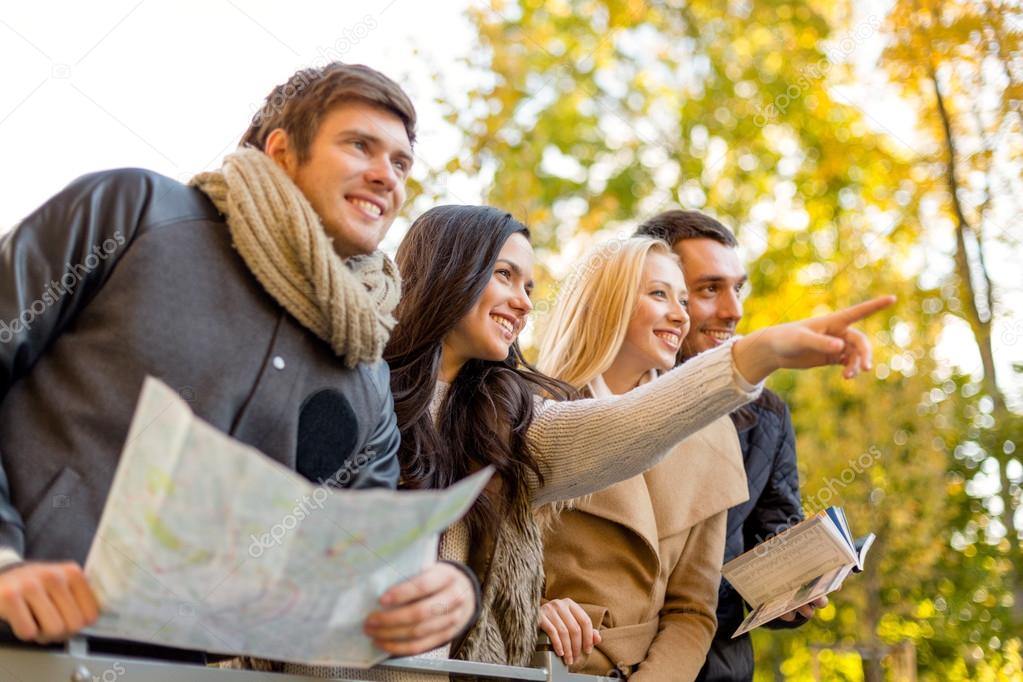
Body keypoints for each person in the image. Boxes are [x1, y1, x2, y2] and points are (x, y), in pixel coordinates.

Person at [0, 63, 478, 661]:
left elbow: (358, 564)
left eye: (401, 163)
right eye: (360, 145)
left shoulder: (367, 373)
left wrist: (446, 594)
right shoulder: (133, 213)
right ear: (281, 152)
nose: (387, 176)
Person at [362, 204, 889, 671]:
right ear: (448, 271)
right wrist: (525, 610)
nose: (523, 303)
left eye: (529, 288)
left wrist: (759, 354)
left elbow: (627, 431)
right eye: (505, 275)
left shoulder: (505, 417)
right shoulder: (362, 392)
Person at [536, 237, 750, 680]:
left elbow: (692, 610)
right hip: (541, 665)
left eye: (683, 300)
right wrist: (529, 607)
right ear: (607, 303)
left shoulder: (711, 434)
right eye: (658, 294)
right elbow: (484, 564)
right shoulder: (529, 409)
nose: (681, 315)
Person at [636, 209, 827, 682]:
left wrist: (792, 590)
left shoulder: (767, 415)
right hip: (603, 659)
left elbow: (774, 531)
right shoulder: (588, 402)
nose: (733, 310)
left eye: (737, 288)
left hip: (718, 666)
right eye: (709, 289)